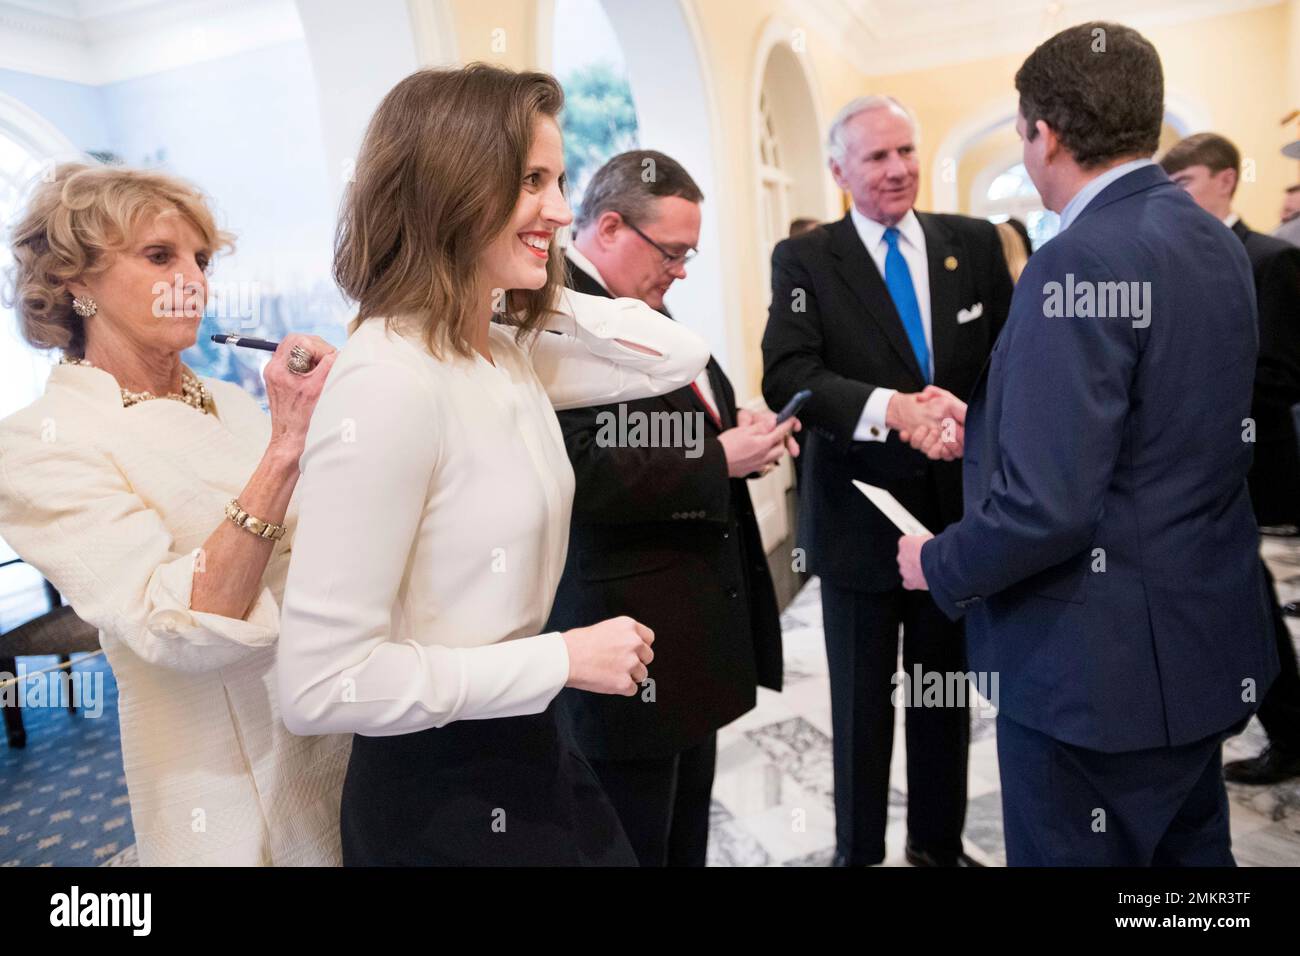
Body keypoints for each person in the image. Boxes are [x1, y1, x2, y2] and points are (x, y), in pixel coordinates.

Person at [276, 65, 711, 866]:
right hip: (441, 790)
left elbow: (678, 352)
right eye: (531, 182)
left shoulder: (500, 351)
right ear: (450, 188)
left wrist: (523, 284)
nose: (561, 209)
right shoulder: (390, 382)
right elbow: (318, 686)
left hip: (532, 740)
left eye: (559, 180)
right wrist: (561, 657)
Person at [897, 22, 1279, 866]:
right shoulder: (1214, 241)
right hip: (1198, 642)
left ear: (1047, 134)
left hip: (1097, 674)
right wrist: (998, 429)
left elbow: (1047, 511)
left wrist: (940, 562)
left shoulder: (1078, 261)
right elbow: (1163, 427)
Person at [0, 163, 350, 865]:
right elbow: (182, 628)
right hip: (225, 784)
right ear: (74, 280)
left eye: (201, 259)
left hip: (337, 741)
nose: (192, 279)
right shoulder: (38, 442)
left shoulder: (230, 402)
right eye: (159, 256)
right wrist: (286, 448)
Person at [762, 95, 1013, 867]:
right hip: (858, 524)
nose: (898, 168)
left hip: (952, 527)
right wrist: (892, 410)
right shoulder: (805, 260)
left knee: (941, 700)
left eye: (906, 150)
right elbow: (790, 375)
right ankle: (857, 852)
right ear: (839, 170)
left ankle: (936, 846)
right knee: (862, 707)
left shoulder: (972, 244)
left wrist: (964, 416)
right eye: (876, 157)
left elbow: (1011, 363)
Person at [544, 150, 794, 867]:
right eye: (673, 252)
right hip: (625, 631)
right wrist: (721, 458)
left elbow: (676, 416)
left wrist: (738, 425)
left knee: (684, 832)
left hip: (690, 631)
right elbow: (577, 463)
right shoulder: (556, 315)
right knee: (633, 839)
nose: (681, 270)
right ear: (613, 226)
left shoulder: (637, 308)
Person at [1160, 132, 1300, 785]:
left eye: (1184, 183)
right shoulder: (1171, 260)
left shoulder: (1270, 259)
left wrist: (1189, 405)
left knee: (1250, 602)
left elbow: (1280, 374)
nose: (1175, 199)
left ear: (1225, 179)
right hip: (1189, 477)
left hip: (1248, 465)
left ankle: (1287, 728)